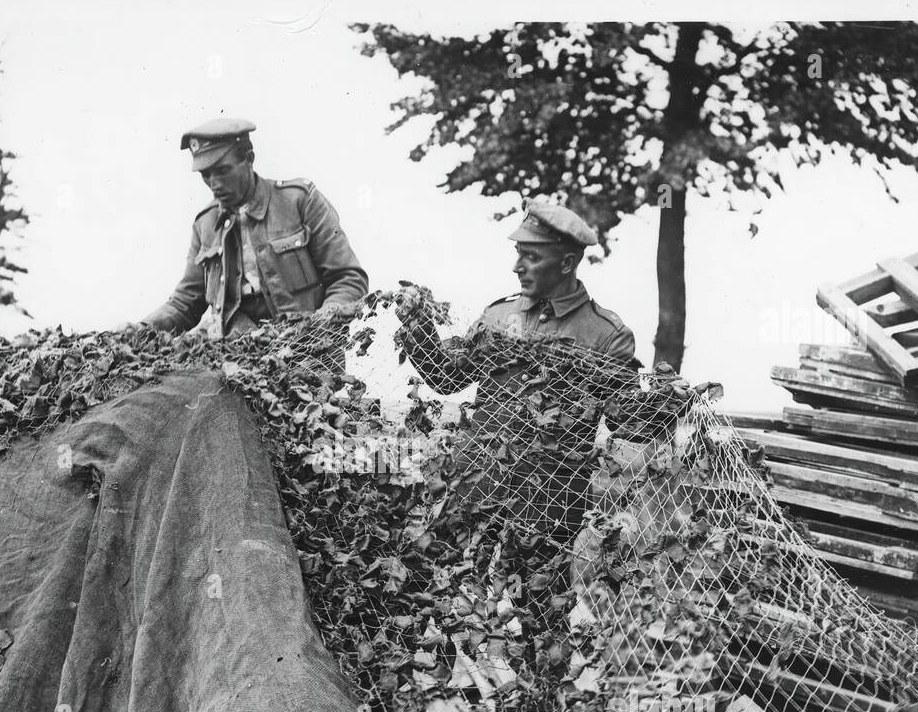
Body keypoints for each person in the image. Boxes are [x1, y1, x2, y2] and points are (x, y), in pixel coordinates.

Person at [399, 200, 641, 534]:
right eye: (518, 252)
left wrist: (657, 403)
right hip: (475, 490)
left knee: (537, 586)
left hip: (548, 506)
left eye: (531, 256)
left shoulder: (604, 335)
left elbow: (623, 418)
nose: (517, 266)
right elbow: (447, 377)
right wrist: (419, 329)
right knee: (450, 582)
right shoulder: (500, 316)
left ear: (567, 262)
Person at [133, 118, 368, 358]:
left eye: (223, 171)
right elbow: (185, 303)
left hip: (305, 355)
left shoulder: (299, 201)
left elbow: (348, 278)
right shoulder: (205, 224)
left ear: (249, 158)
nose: (214, 184)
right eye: (206, 174)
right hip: (234, 358)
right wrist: (139, 331)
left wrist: (316, 331)